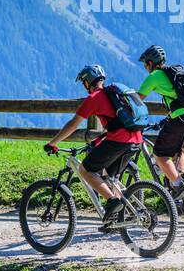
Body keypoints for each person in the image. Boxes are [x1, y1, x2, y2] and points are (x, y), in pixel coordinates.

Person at [45, 63, 144, 231]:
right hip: (136, 139)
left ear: (87, 82)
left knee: (86, 170)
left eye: (83, 83)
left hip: (119, 141)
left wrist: (53, 142)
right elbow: (116, 124)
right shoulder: (113, 95)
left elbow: (73, 124)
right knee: (108, 177)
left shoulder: (94, 98)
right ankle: (114, 219)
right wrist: (97, 141)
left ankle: (113, 202)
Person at [136, 45, 184, 198]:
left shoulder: (154, 76)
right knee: (177, 149)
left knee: (160, 153)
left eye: (145, 64)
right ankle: (181, 180)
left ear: (150, 63)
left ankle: (179, 186)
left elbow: (136, 99)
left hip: (183, 119)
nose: (145, 68)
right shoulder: (176, 72)